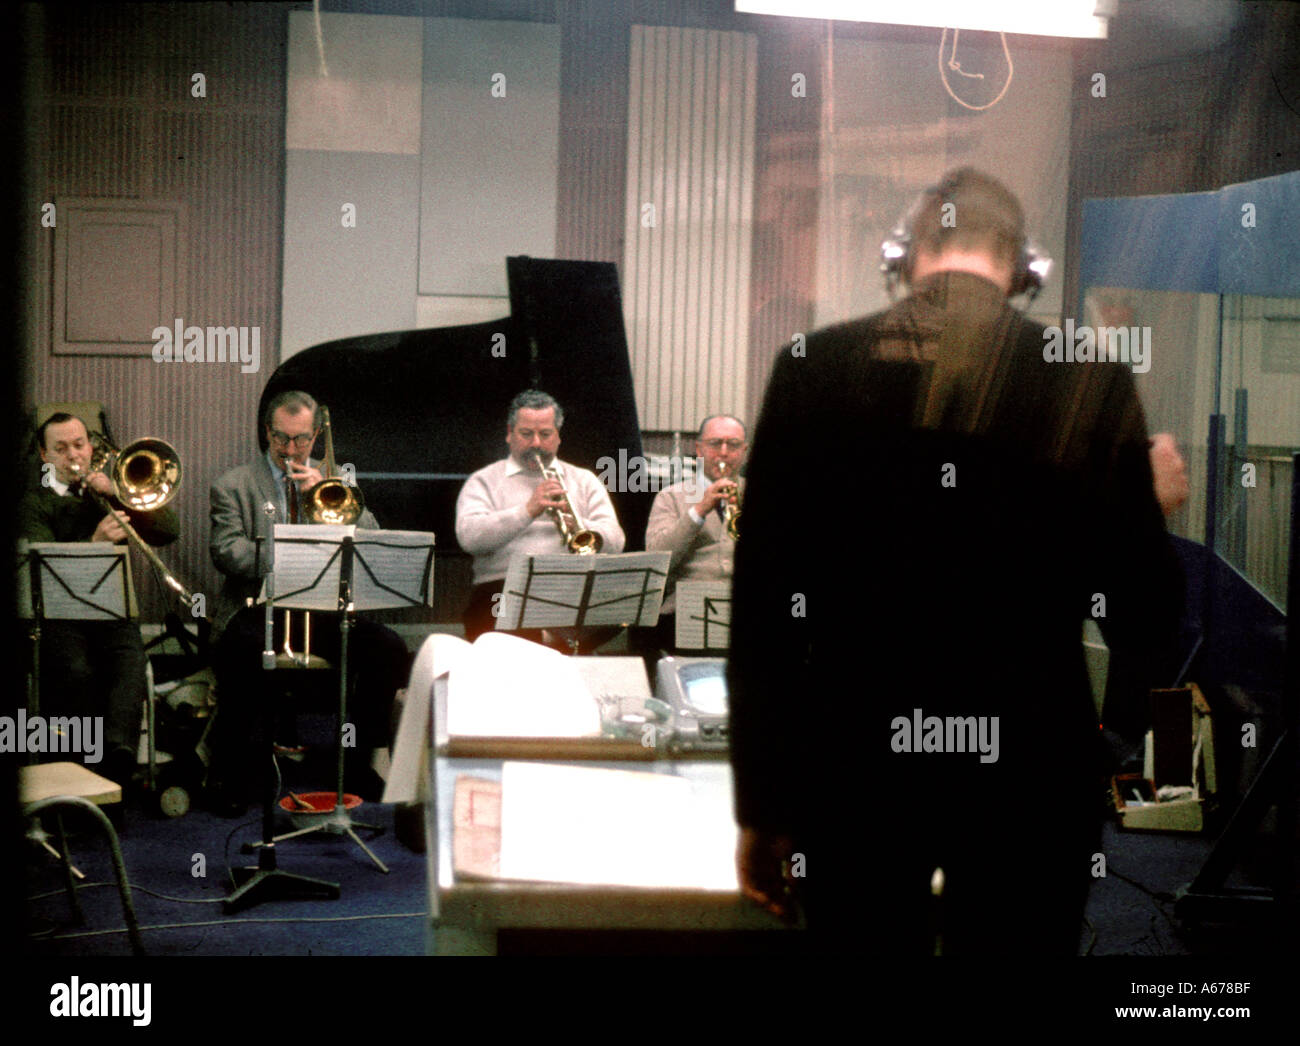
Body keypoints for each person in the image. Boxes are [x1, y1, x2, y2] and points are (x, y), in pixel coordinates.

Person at [727, 168, 1183, 954]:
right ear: (1024, 267)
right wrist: (1148, 506)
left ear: (903, 256)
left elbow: (763, 611)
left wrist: (760, 807)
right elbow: (1145, 612)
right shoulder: (1090, 376)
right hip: (1030, 776)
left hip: (855, 772)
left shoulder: (814, 366)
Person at [206, 390, 411, 814]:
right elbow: (227, 552)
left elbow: (370, 538)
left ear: (316, 436)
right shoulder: (234, 485)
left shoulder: (334, 478)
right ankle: (231, 769)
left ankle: (354, 762)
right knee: (241, 650)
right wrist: (288, 552)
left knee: (387, 648)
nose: (291, 450)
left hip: (318, 610)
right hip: (256, 607)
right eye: (281, 438)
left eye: (301, 440)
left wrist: (331, 494)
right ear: (267, 432)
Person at [18, 412, 181, 786]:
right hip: (57, 618)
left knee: (130, 662)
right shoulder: (35, 502)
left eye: (79, 445)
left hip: (111, 612)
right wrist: (95, 544)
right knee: (76, 672)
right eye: (60, 449)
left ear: (92, 447)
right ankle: (77, 773)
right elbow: (39, 568)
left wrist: (118, 493)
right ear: (45, 456)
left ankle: (116, 760)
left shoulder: (110, 489)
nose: (73, 455)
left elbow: (168, 531)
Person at [455, 390, 625, 642]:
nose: (536, 443)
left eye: (545, 434)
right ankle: (556, 643)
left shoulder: (583, 479)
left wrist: (581, 524)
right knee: (501, 621)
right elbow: (469, 537)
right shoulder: (483, 480)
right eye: (526, 434)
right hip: (502, 588)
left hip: (570, 586)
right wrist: (528, 510)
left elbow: (616, 541)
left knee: (624, 607)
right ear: (509, 434)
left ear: (558, 437)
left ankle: (551, 641)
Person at [642, 414, 746, 655]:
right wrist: (699, 510)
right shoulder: (670, 496)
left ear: (744, 450)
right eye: (714, 443)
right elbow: (656, 561)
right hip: (683, 615)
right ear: (699, 449)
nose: (723, 452)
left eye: (732, 445)